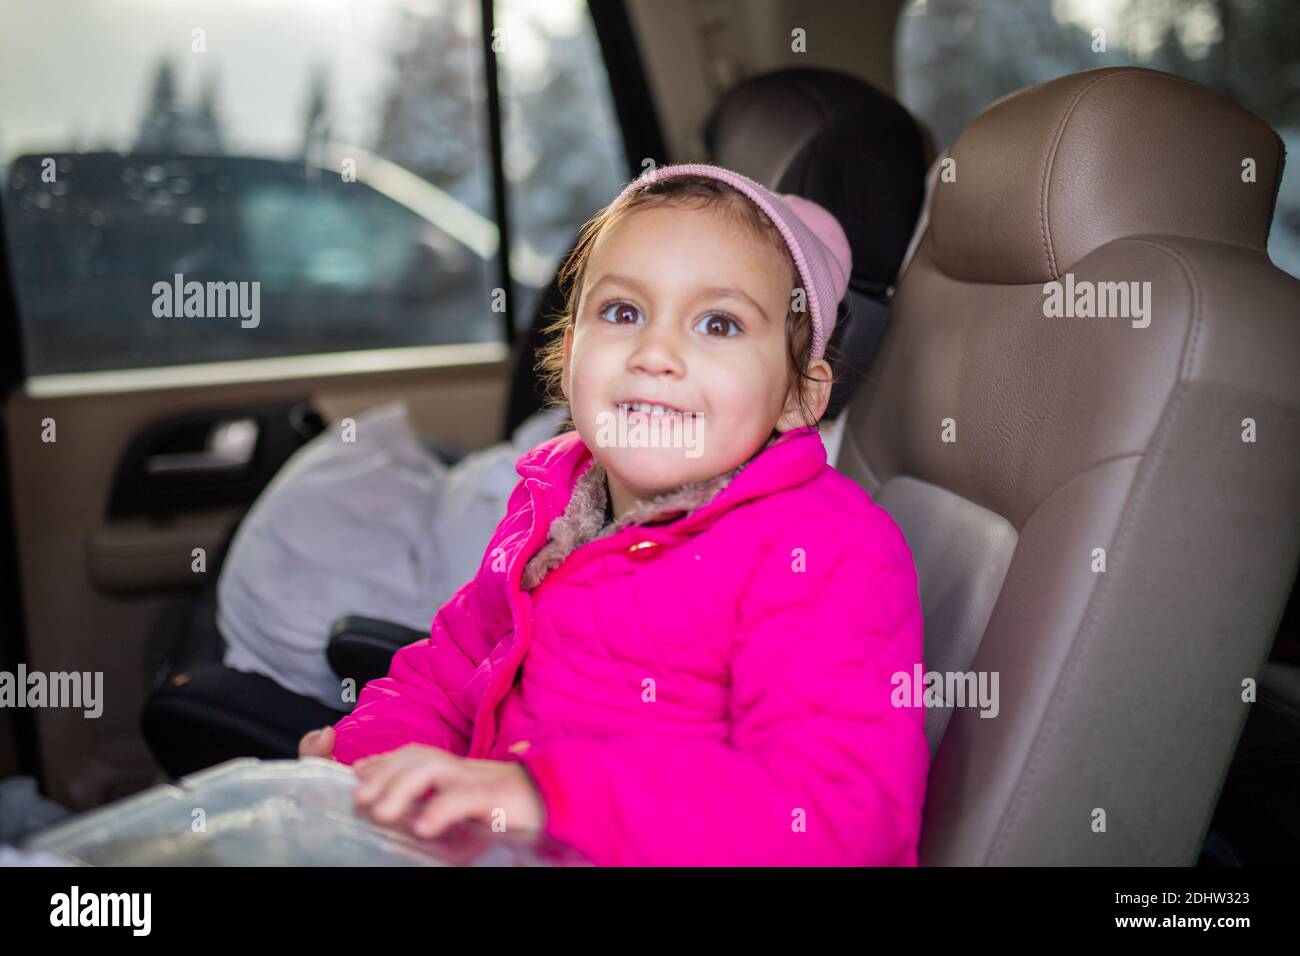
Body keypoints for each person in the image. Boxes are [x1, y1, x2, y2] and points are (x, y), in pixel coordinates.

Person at [300, 163, 930, 866]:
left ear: (799, 396)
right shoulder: (554, 509)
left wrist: (543, 800)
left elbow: (831, 814)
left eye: (718, 324)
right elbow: (448, 673)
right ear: (569, 355)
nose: (655, 353)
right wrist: (370, 767)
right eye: (623, 312)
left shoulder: (825, 550)